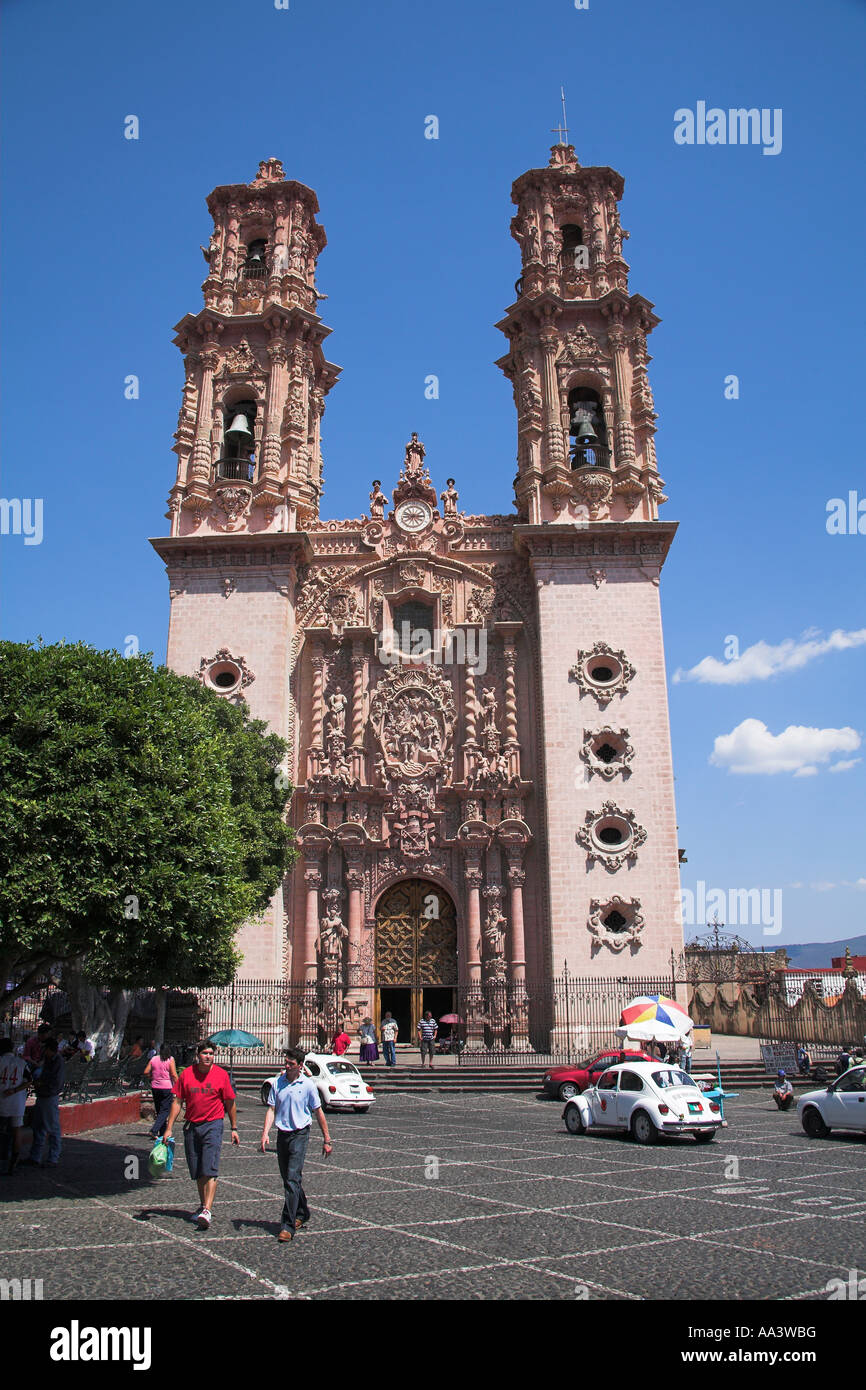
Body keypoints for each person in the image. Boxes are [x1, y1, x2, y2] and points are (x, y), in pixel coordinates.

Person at [163, 1040, 238, 1231]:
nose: (208, 1057)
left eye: (211, 1054)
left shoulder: (221, 1075)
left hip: (213, 1125)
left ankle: (207, 1209)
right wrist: (169, 1127)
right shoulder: (187, 1074)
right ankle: (203, 1205)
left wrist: (234, 1128)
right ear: (198, 1055)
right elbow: (177, 1101)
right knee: (197, 1170)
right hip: (192, 1126)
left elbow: (230, 1102)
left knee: (210, 1167)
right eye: (205, 1053)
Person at [260, 1047, 332, 1242]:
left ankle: (287, 1225)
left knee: (292, 1178)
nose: (286, 1066)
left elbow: (318, 1112)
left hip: (300, 1134)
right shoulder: (278, 1083)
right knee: (288, 1179)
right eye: (286, 1062)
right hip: (282, 1134)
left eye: (291, 1064)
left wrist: (327, 1139)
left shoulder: (308, 1085)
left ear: (300, 1066)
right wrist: (265, 1133)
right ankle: (302, 1211)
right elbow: (271, 1109)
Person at [24, 1037, 65, 1167]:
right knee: (39, 1127)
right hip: (43, 1095)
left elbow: (55, 1081)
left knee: (52, 1128)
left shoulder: (57, 1062)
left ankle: (53, 1157)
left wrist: (42, 1084)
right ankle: (35, 1156)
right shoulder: (48, 1060)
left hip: (49, 1096)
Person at [0, 1038, 32, 1176]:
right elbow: (29, 1081)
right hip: (17, 1102)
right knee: (17, 1130)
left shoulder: (0, 1061)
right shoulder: (21, 1063)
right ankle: (13, 1162)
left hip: (2, 1100)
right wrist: (14, 1090)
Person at [144, 1043, 178, 1138]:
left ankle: (162, 1132)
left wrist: (152, 1077)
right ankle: (154, 1130)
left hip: (155, 1086)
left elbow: (146, 1071)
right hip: (166, 1087)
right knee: (165, 1110)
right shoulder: (170, 1059)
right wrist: (179, 1085)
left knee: (159, 1110)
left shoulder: (154, 1059)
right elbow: (174, 1074)